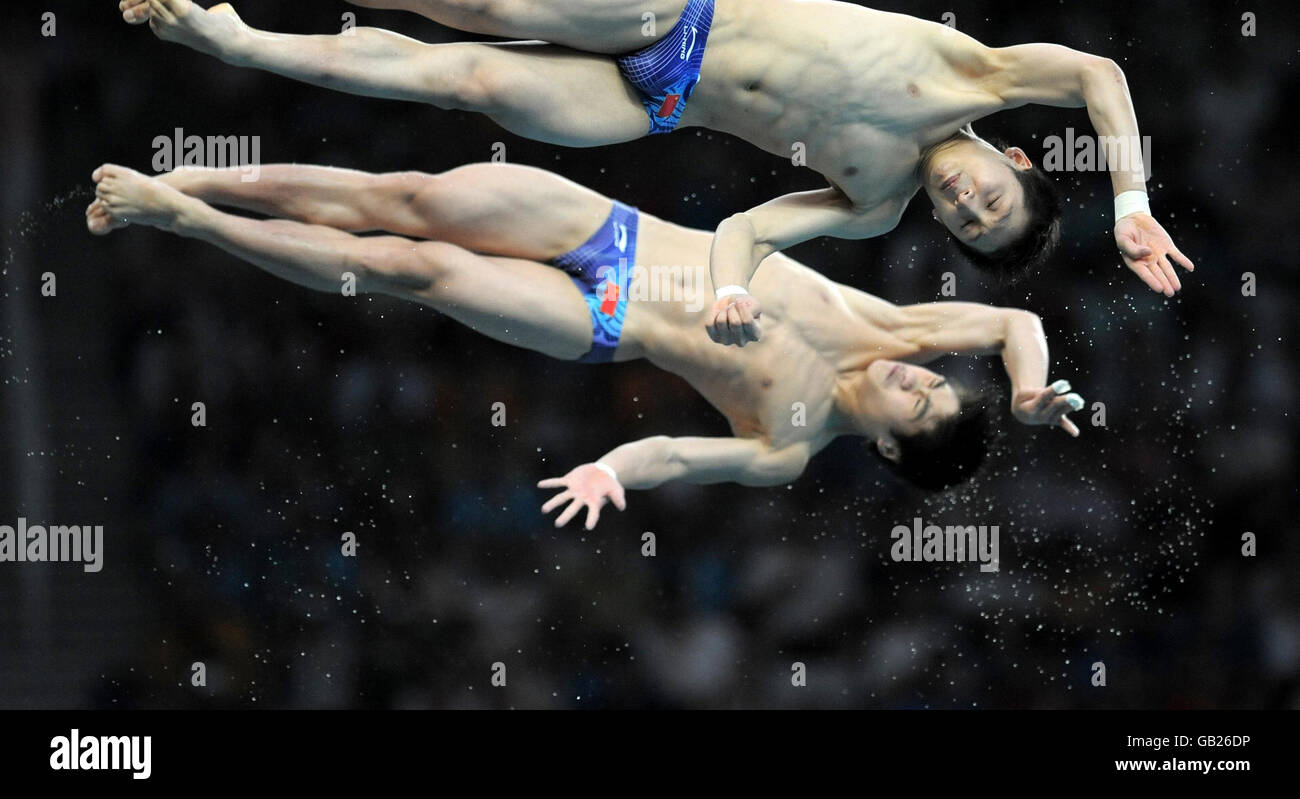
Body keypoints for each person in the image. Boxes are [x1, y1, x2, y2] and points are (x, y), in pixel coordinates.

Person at [117, 0, 1193, 348]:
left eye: (966, 224)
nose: (963, 204)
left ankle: (244, 45)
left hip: (655, 105)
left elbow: (745, 229)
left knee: (461, 83)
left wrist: (728, 288)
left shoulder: (873, 203)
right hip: (680, 15)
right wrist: (1131, 200)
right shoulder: (981, 76)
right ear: (1012, 158)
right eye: (989, 198)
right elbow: (1099, 75)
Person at [87, 159, 1084, 530]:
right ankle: (201, 178)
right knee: (403, 200)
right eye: (933, 384)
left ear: (887, 446)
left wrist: (613, 470)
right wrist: (1031, 387)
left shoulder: (786, 448)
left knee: (409, 267)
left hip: (601, 324)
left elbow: (672, 454)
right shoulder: (891, 328)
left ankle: (180, 215)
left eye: (915, 405)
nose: (914, 380)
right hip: (610, 233)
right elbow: (1015, 322)